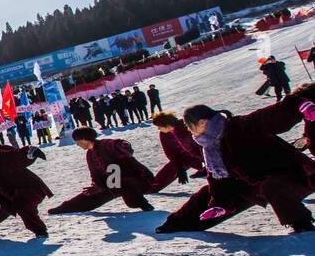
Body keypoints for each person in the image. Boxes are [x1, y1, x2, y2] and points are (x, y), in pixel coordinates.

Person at [157, 86, 315, 234]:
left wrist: (298, 106)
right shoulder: (209, 147)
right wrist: (219, 204)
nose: (188, 129)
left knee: (271, 186)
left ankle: (302, 224)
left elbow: (267, 117)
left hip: (293, 173)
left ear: (202, 122)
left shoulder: (239, 125)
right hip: (252, 182)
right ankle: (176, 224)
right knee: (209, 194)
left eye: (189, 125)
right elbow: (218, 180)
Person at [48, 127, 156, 214]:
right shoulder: (90, 154)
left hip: (132, 179)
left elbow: (122, 144)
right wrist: (96, 186)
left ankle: (144, 204)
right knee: (89, 197)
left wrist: (123, 150)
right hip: (111, 184)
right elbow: (95, 174)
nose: (77, 144)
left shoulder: (106, 144)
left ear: (84, 139)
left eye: (78, 141)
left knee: (131, 199)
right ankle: (63, 208)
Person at [149, 111, 207, 191]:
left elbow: (202, 141)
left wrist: (204, 165)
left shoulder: (185, 125)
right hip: (183, 158)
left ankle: (207, 170)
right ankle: (151, 188)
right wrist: (180, 169)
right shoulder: (164, 134)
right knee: (163, 177)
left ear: (166, 124)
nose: (158, 129)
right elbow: (171, 153)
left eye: (159, 126)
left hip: (204, 153)